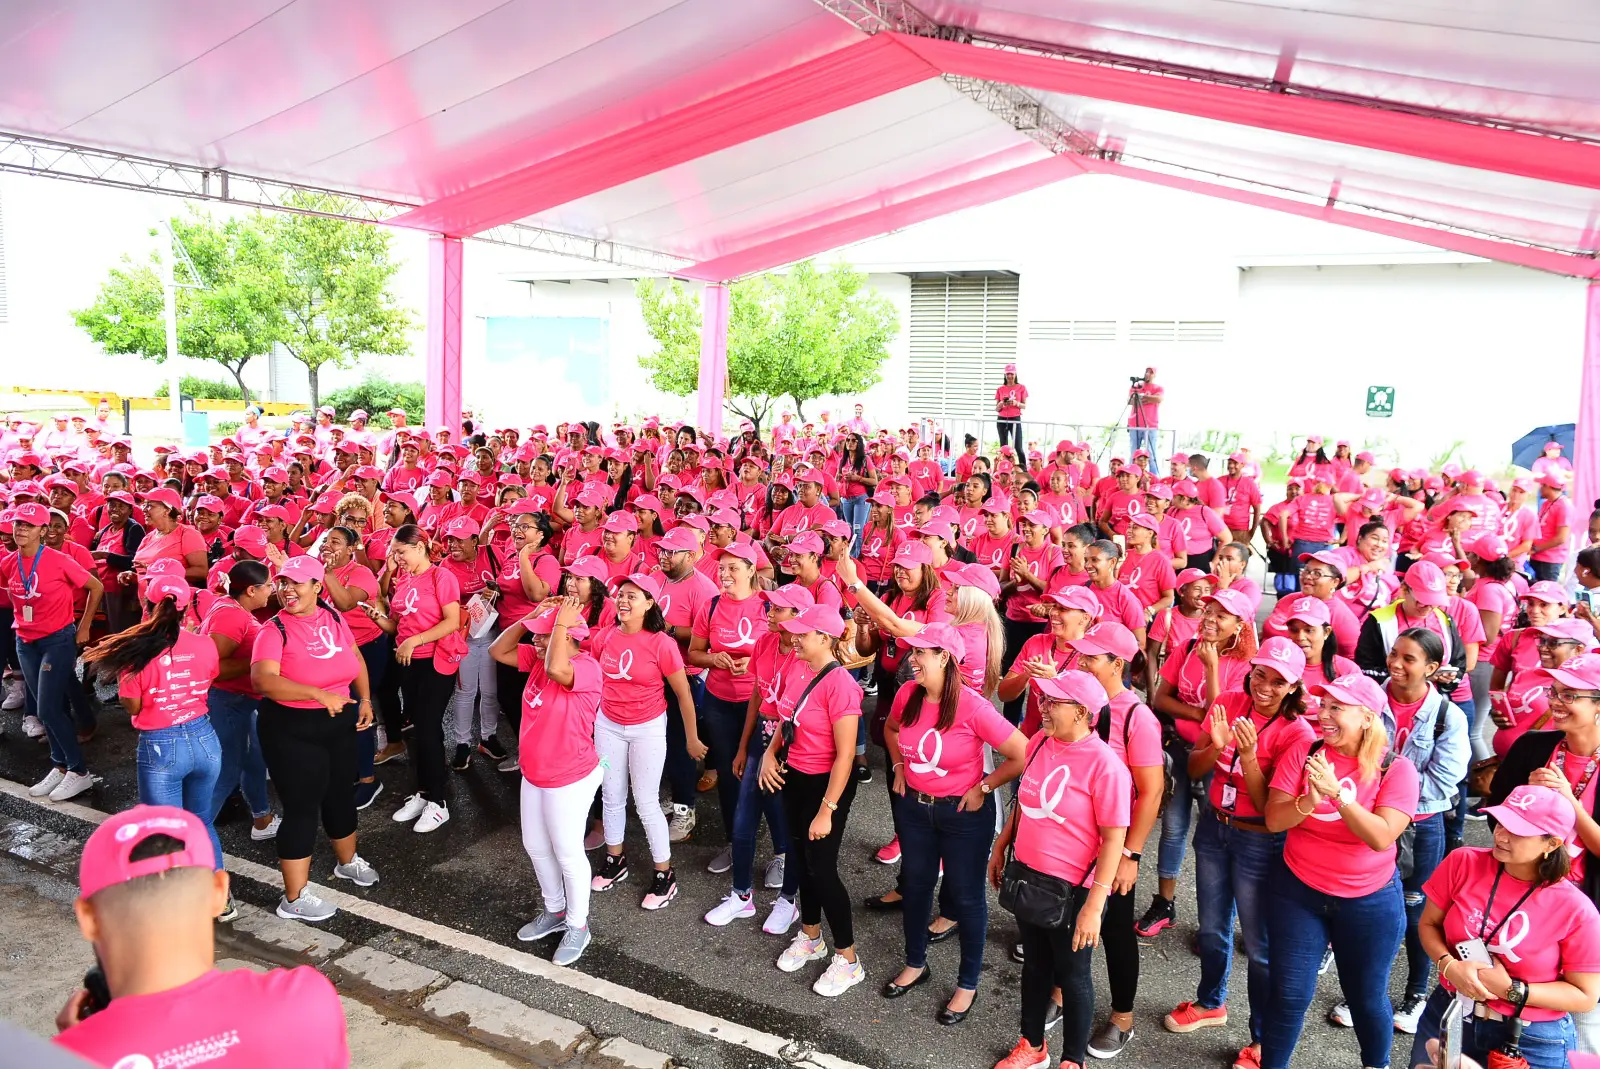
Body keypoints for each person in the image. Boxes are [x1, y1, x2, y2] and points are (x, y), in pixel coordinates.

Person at [51, 805, 349, 1066]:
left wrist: (76, 1050)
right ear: (219, 892)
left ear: (88, 919)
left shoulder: (62, 1058)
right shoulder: (307, 1003)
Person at [1168, 637, 1316, 1069]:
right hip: (1215, 827)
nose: (1264, 687)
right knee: (1211, 929)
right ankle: (1211, 1002)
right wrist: (1214, 745)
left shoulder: (1298, 733)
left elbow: (1271, 807)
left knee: (1258, 944)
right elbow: (1194, 769)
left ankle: (1262, 1039)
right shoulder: (1230, 700)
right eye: (1259, 675)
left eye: (1277, 682)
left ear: (1292, 688)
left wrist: (1249, 756)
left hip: (1259, 839)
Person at [1262, 673, 1420, 1069]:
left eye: (1337, 707)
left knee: (1366, 996)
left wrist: (1337, 796)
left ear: (1368, 717)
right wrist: (1307, 800)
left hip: (1368, 900)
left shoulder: (1396, 769)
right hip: (1298, 892)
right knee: (1288, 994)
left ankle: (1376, 1064)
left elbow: (1382, 837)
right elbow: (1274, 820)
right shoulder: (1305, 751)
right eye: (1324, 704)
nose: (1324, 714)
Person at [882, 623, 1026, 1023]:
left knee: (965, 898)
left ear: (945, 657)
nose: (912, 660)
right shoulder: (909, 694)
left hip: (963, 817)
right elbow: (891, 729)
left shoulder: (972, 705)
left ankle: (967, 984)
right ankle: (915, 963)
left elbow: (1021, 753)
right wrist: (897, 765)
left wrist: (985, 785)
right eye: (912, 652)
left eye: (921, 653)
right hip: (915, 810)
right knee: (916, 886)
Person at [989, 671, 1131, 1069]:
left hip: (1076, 889)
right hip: (1029, 874)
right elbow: (1025, 800)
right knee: (1035, 965)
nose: (1043, 707)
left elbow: (1114, 840)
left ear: (1083, 713)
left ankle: (1073, 1060)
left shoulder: (1106, 766)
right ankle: (1032, 1046)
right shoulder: (1038, 743)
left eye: (1054, 702)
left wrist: (1094, 906)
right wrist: (1002, 844)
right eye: (1043, 699)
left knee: (1072, 975)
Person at [1410, 785, 1600, 1069]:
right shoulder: (1463, 862)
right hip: (1451, 1009)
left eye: (1518, 831)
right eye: (1501, 822)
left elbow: (1585, 996)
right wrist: (1449, 965)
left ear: (1552, 843)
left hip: (1531, 1035)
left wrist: (1512, 990)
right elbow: (1428, 924)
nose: (1501, 834)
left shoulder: (1576, 909)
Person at [251, 555, 377, 922]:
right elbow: (263, 680)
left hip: (338, 720)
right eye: (282, 583)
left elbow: (354, 656)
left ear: (317, 587)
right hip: (291, 727)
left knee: (340, 792)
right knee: (303, 805)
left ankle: (347, 862)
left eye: (296, 583)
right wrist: (318, 694)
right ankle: (293, 898)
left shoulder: (333, 616)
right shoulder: (273, 630)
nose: (287, 590)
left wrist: (365, 698)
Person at [83, 575, 223, 878]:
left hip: (161, 747)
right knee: (201, 822)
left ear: (146, 604)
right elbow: (209, 679)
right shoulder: (206, 643)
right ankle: (220, 899)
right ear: (187, 607)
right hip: (205, 739)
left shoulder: (138, 651)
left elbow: (132, 704)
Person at [759, 604, 867, 997]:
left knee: (822, 868)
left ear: (825, 638)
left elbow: (845, 755)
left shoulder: (841, 684)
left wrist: (828, 810)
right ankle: (810, 936)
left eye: (802, 633)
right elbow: (785, 721)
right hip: (796, 775)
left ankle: (848, 958)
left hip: (828, 784)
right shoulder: (794, 666)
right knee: (802, 861)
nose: (794, 637)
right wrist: (770, 753)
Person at [490, 598, 604, 966]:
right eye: (537, 638)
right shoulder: (540, 660)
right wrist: (531, 618)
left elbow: (557, 668)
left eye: (544, 637)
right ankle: (555, 911)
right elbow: (497, 649)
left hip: (569, 776)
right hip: (535, 772)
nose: (536, 644)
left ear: (569, 637)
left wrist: (557, 626)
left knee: (568, 853)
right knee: (536, 846)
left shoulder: (585, 668)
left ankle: (578, 925)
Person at [1071, 622, 1164, 1059]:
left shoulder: (1135, 716)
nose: (1082, 662)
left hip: (1112, 845)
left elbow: (1151, 791)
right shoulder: (1078, 703)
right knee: (1066, 917)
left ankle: (1122, 1017)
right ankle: (1060, 991)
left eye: (1092, 657)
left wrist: (1132, 854)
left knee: (1113, 928)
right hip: (1069, 837)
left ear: (1117, 664)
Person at [1141, 588, 1257, 938]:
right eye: (1209, 611)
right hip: (1179, 749)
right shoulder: (1187, 648)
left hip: (1219, 759)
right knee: (1173, 828)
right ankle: (1164, 904)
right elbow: (1161, 697)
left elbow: (1221, 714)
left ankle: (1218, 920)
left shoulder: (1247, 666)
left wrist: (1211, 669)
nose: (1209, 619)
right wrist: (1195, 712)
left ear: (1239, 625)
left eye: (1221, 615)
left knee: (1218, 836)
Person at [703, 583, 814, 933]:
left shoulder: (807, 655)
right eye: (770, 606)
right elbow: (757, 695)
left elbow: (796, 715)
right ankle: (741, 896)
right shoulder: (765, 642)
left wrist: (770, 753)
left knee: (790, 824)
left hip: (791, 748)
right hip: (761, 742)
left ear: (797, 617)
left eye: (778, 609)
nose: (768, 612)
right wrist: (744, 746)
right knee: (742, 820)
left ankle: (788, 901)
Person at [589, 573, 702, 909]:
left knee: (646, 801)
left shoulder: (661, 643)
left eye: (633, 596)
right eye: (621, 594)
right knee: (610, 794)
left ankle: (664, 874)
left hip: (647, 730)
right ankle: (615, 860)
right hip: (608, 726)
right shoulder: (606, 636)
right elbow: (594, 681)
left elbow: (684, 695)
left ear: (650, 604)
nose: (624, 601)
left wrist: (692, 739)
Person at [4, 502, 104, 802]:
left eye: (28, 525)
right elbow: (12, 593)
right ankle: (60, 766)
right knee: (47, 710)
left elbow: (96, 587)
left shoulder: (59, 560)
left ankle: (79, 771)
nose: (21, 529)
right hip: (25, 640)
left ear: (42, 531)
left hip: (57, 640)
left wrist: (84, 626)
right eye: (18, 523)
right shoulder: (9, 562)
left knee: (47, 709)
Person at [370, 523, 460, 833]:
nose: (397, 558)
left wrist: (415, 641)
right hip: (408, 662)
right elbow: (398, 628)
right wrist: (379, 620)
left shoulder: (441, 576)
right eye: (394, 553)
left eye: (401, 552)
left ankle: (439, 802)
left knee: (427, 729)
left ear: (420, 547)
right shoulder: (404, 579)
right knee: (418, 731)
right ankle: (423, 793)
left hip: (435, 662)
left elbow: (452, 621)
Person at [688, 543, 768, 873]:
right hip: (720, 702)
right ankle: (735, 841)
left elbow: (787, 652)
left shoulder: (767, 606)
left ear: (752, 570)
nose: (725, 574)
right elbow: (694, 653)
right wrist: (712, 658)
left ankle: (778, 850)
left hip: (762, 704)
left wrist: (754, 662)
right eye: (722, 568)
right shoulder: (711, 606)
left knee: (764, 774)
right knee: (728, 773)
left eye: (734, 567)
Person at [200, 559, 281, 850]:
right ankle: (188, 841)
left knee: (253, 760)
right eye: (268, 585)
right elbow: (212, 668)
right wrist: (260, 660)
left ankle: (262, 819)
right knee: (227, 771)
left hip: (241, 702)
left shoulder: (233, 609)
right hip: (228, 702)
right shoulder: (232, 617)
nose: (271, 591)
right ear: (250, 590)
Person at [1126, 367, 1162, 459]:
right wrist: (1149, 399)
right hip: (1134, 424)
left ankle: (1153, 473)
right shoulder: (1137, 385)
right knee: (1134, 452)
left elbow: (1159, 398)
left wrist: (1141, 398)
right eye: (1147, 371)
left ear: (1154, 375)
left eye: (1151, 372)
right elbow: (1130, 401)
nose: (1148, 374)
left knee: (1151, 453)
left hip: (1150, 425)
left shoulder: (1158, 388)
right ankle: (1132, 472)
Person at [997, 364, 1028, 454]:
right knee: (1003, 447)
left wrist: (1016, 403)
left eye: (1012, 374)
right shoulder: (1000, 389)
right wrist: (1002, 403)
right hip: (1002, 419)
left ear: (1015, 374)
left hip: (1015, 418)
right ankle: (1003, 466)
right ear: (1005, 375)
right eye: (1007, 374)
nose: (1010, 376)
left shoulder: (1021, 387)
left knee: (1018, 446)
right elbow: (997, 409)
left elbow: (1024, 406)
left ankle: (1023, 467)